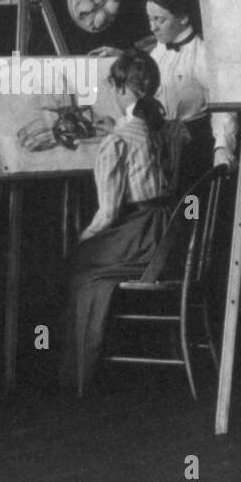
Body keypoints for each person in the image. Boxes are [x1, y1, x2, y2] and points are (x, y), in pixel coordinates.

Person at [60, 48, 175, 394]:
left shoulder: (117, 142)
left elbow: (108, 214)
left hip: (141, 236)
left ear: (122, 88)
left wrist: (83, 238)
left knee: (77, 265)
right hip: (169, 233)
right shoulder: (166, 128)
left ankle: (80, 374)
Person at [143, 0, 237, 185]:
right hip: (160, 147)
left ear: (183, 17)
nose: (153, 27)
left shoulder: (202, 55)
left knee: (188, 209)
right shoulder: (158, 49)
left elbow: (223, 107)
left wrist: (222, 147)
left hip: (191, 151)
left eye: (160, 20)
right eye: (150, 19)